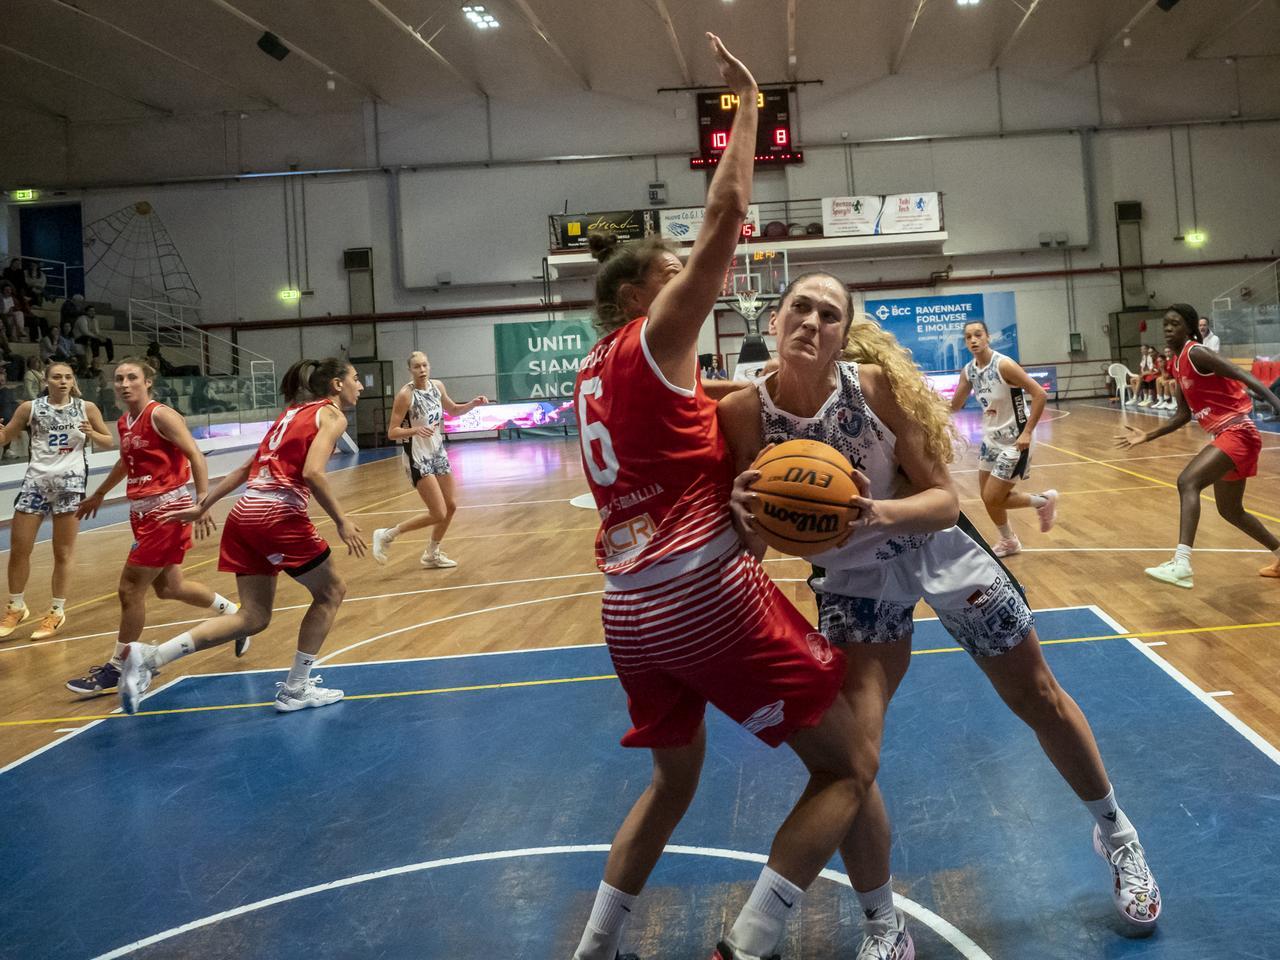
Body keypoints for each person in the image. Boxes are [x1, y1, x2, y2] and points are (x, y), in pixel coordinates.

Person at [719, 277, 1162, 955]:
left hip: (937, 547)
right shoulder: (747, 412)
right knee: (853, 760)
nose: (811, 322)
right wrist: (747, 516)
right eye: (800, 309)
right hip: (855, 578)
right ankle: (884, 927)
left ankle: (1118, 836)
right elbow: (759, 539)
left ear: (843, 332)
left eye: (828, 314)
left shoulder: (869, 390)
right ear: (774, 320)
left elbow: (945, 503)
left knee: (1037, 694)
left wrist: (872, 512)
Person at [569, 35, 875, 960]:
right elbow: (729, 209)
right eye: (673, 277)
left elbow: (695, 425)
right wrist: (746, 104)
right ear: (639, 295)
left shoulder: (591, 377)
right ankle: (747, 946)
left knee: (673, 781)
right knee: (849, 767)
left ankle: (594, 948)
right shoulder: (652, 338)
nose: (693, 286)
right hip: (702, 596)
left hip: (627, 611)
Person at [118, 359, 368, 715]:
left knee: (253, 617)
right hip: (276, 513)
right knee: (331, 591)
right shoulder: (331, 415)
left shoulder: (291, 414)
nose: (361, 386)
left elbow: (244, 469)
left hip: (243, 512)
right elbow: (312, 472)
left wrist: (203, 505)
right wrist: (342, 520)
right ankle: (296, 688)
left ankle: (150, 658)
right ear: (337, 385)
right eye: (356, 379)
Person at [64, 358, 240, 697]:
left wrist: (202, 501)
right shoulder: (124, 421)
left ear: (148, 382)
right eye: (119, 379)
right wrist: (99, 493)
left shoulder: (161, 415)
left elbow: (195, 455)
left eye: (132, 377)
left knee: (129, 589)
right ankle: (232, 615)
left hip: (168, 512)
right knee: (170, 587)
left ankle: (118, 667)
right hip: (141, 514)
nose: (125, 383)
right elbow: (125, 460)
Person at [1117, 303, 1280, 588]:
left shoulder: (1197, 352)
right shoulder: (1178, 363)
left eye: (1175, 323)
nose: (1168, 328)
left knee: (1187, 482)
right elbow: (1182, 415)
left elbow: (1247, 377)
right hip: (1226, 435)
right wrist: (1147, 435)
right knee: (1230, 510)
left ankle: (1182, 563)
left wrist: (1278, 404)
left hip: (1238, 431)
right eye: (1165, 323)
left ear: (1190, 327)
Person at [0, 362, 114, 640]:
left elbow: (108, 441)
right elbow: (6, 436)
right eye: (57, 377)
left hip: (70, 485)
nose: (62, 381)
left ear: (73, 381)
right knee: (19, 549)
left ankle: (56, 611)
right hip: (36, 483)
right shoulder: (30, 408)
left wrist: (92, 433)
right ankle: (16, 606)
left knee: (62, 553)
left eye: (67, 377)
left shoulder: (86, 408)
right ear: (47, 380)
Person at [949, 320, 1058, 557]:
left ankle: (1043, 501)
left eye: (978, 335)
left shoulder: (1004, 365)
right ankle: (1009, 541)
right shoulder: (969, 371)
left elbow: (1039, 394)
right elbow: (955, 405)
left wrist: (1027, 432)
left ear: (988, 337)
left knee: (993, 497)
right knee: (987, 498)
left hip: (1016, 440)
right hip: (991, 440)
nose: (973, 340)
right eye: (968, 337)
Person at [371, 351, 488, 569]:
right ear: (410, 370)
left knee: (450, 506)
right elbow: (392, 432)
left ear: (430, 366)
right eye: (417, 367)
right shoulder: (406, 395)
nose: (422, 370)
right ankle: (387, 535)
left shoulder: (437, 387)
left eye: (424, 365)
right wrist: (416, 430)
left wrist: (472, 404)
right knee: (438, 512)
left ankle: (432, 553)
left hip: (437, 453)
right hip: (417, 457)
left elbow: (452, 409)